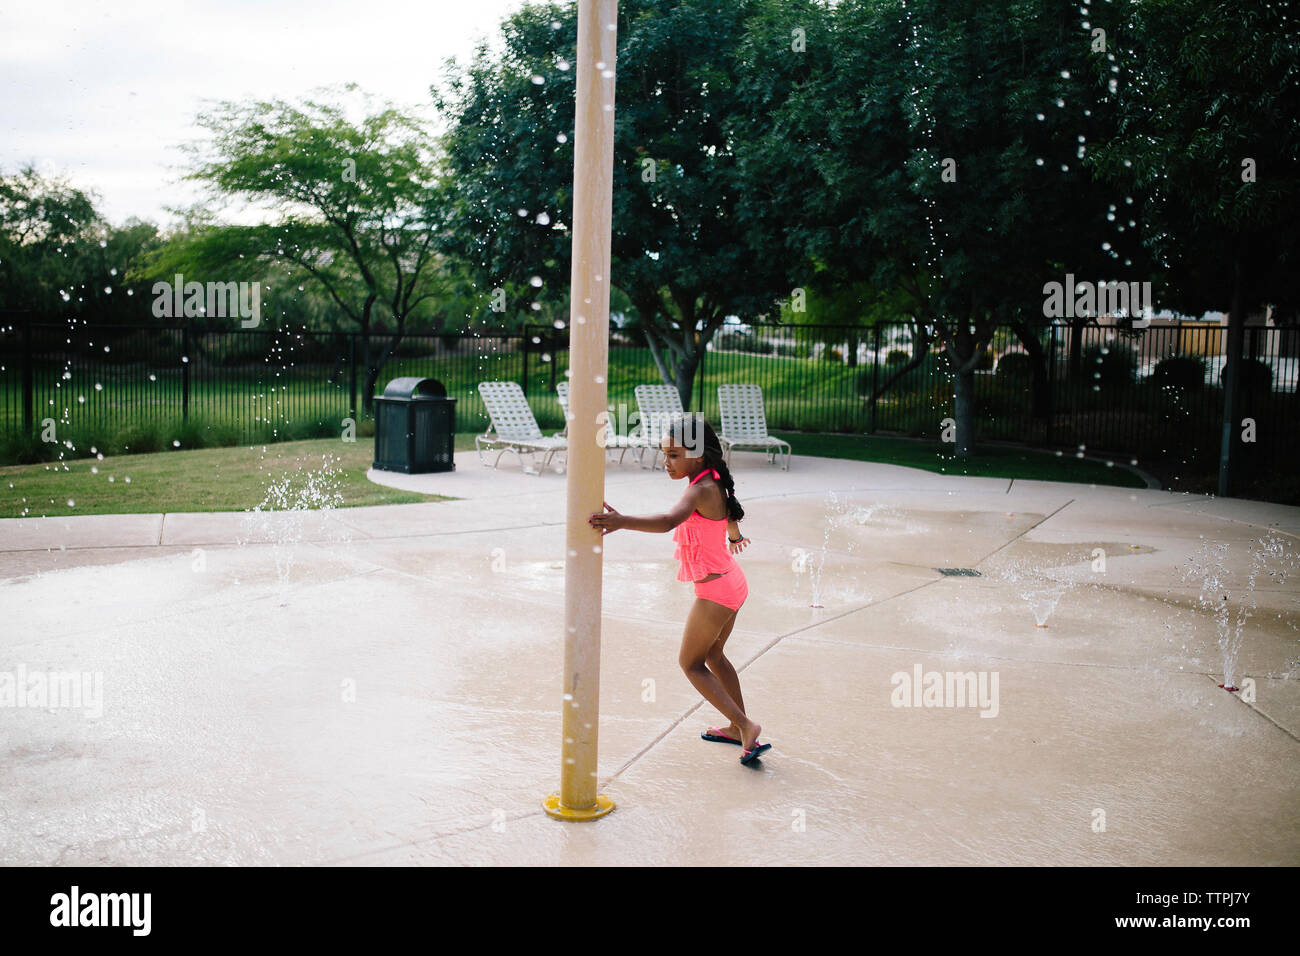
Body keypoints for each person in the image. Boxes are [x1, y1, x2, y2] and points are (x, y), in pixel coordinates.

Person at [589, 413, 771, 765]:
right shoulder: (715, 478)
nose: (666, 462)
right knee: (715, 656)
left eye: (674, 455)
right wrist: (734, 535)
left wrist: (622, 521)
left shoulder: (699, 489)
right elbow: (730, 507)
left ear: (698, 455)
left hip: (716, 592)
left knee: (691, 663)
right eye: (664, 453)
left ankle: (747, 725)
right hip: (733, 583)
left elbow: (668, 521)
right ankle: (736, 729)